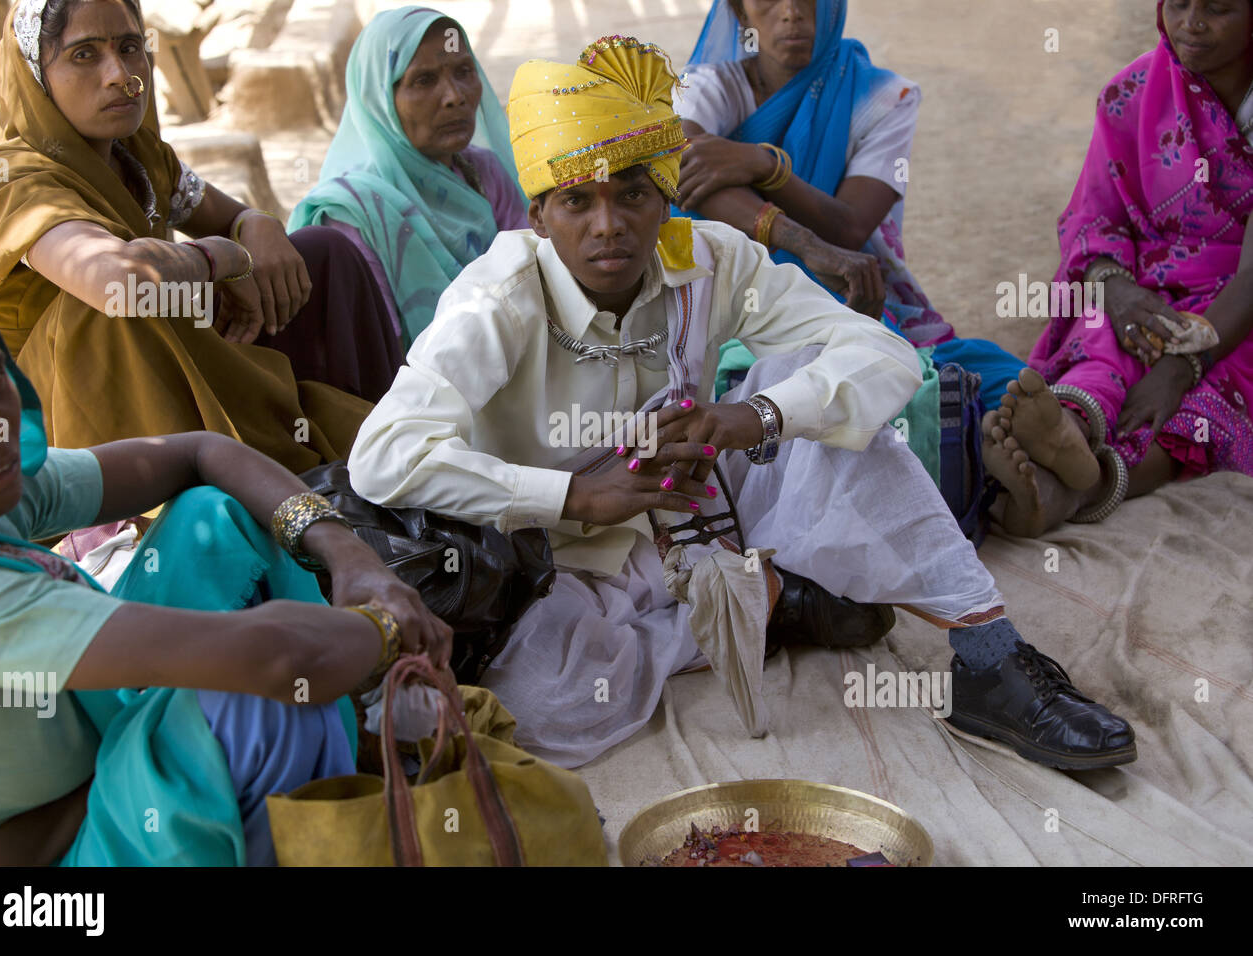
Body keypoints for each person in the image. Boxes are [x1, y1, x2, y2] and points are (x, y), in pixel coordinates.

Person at [347, 36, 1137, 773]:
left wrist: (750, 418)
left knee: (825, 407)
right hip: (560, 559)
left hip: (700, 510)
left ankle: (990, 659)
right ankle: (773, 600)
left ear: (666, 201)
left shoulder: (708, 260)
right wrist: (579, 493)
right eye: (577, 202)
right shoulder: (498, 300)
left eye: (631, 195)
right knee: (540, 705)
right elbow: (383, 455)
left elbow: (882, 352)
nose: (608, 227)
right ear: (538, 214)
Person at [0, 289, 451, 866]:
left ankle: (332, 753)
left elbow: (197, 453)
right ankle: (317, 815)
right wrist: (388, 626)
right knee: (267, 703)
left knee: (212, 521)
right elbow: (281, 662)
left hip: (99, 772)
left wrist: (354, 560)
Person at [0, 0, 402, 474]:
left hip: (170, 361)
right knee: (111, 306)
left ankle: (382, 443)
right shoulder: (7, 179)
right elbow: (116, 281)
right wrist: (223, 256)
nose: (120, 74)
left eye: (130, 48)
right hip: (58, 422)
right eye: (84, 55)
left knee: (321, 252)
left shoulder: (136, 155)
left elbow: (234, 217)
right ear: (35, 76)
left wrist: (258, 224)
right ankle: (170, 503)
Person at [672, 0, 1024, 409]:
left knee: (990, 378)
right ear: (740, 13)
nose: (791, 12)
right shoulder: (711, 85)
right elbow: (680, 165)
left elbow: (851, 226)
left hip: (842, 287)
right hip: (736, 291)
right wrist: (804, 244)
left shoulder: (883, 96)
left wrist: (766, 166)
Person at [985, 0, 1253, 537]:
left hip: (1239, 305)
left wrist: (1182, 369)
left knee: (1200, 403)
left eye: (1218, 8)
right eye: (1178, 4)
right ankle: (1069, 428)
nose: (1191, 23)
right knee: (1103, 339)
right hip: (1147, 287)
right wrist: (1119, 291)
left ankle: (1076, 486)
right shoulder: (1130, 94)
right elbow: (1095, 217)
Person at [289, 7, 528, 353]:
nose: (455, 96)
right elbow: (380, 348)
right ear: (381, 98)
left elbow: (535, 284)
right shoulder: (354, 214)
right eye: (424, 80)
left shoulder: (486, 175)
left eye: (464, 71)